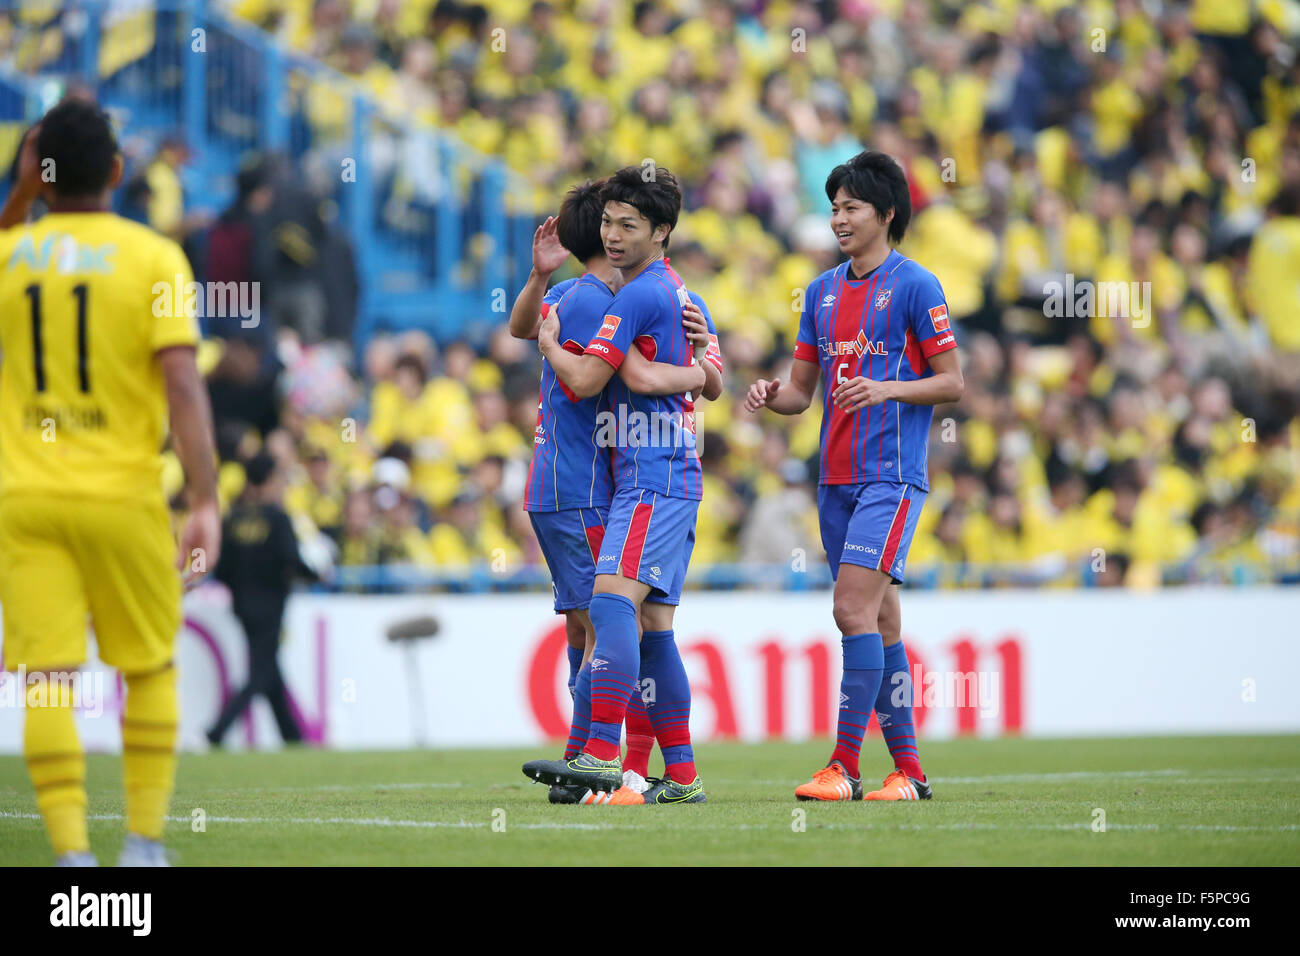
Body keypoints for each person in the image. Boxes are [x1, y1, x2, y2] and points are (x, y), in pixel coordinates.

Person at [0, 100, 221, 865]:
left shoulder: (12, 254)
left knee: (48, 681)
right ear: (120, 173)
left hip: (25, 500)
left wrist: (23, 194)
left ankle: (68, 858)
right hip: (124, 494)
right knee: (149, 665)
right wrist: (203, 499)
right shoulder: (154, 256)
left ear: (39, 171)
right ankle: (143, 845)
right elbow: (185, 387)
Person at [745, 150, 964, 801]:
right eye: (834, 207)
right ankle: (911, 775)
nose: (839, 218)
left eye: (851, 207)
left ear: (887, 214)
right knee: (882, 621)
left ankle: (843, 766)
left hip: (890, 478)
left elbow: (952, 382)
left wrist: (887, 389)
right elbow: (802, 393)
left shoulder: (918, 286)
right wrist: (769, 394)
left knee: (848, 608)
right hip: (834, 481)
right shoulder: (820, 292)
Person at [508, 178, 714, 804]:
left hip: (645, 478)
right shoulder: (672, 293)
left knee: (604, 612)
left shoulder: (626, 297)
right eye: (609, 224)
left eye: (628, 225)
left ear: (659, 233)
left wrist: (551, 344)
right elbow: (706, 379)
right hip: (655, 474)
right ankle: (676, 777)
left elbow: (595, 379)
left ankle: (602, 757)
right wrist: (704, 370)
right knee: (650, 625)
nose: (614, 235)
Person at [207, 453, 320, 746]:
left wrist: (240, 591)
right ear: (270, 480)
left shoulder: (233, 518)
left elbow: (222, 569)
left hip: (242, 607)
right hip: (271, 606)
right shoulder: (278, 518)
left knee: (268, 667)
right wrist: (317, 576)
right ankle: (218, 730)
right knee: (261, 672)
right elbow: (291, 561)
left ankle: (292, 736)